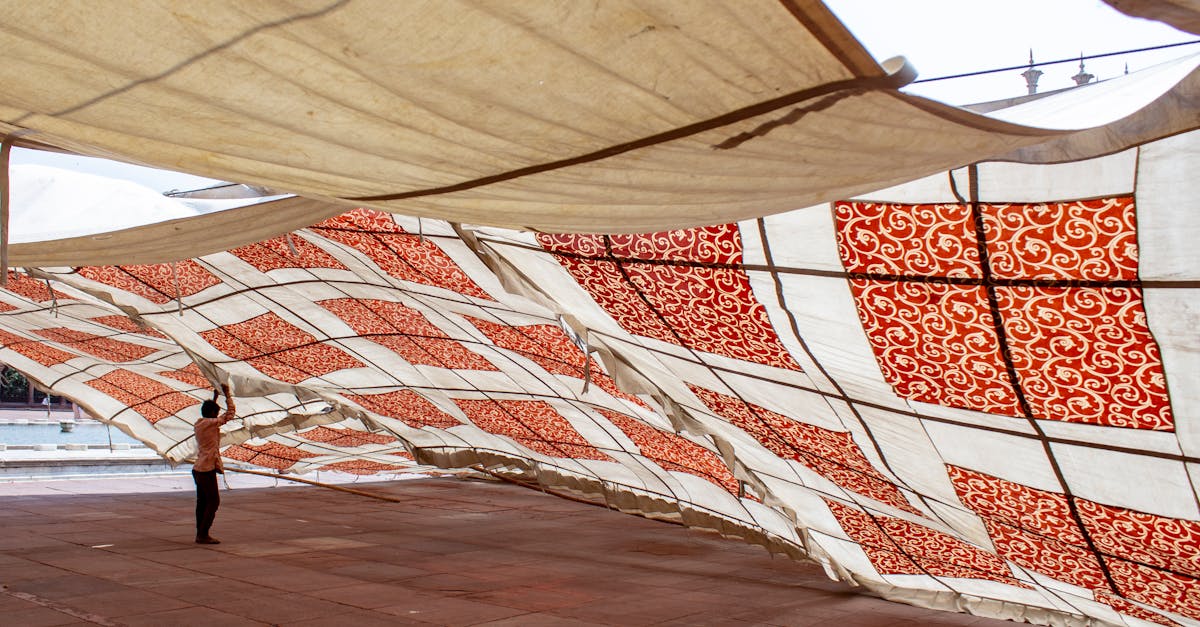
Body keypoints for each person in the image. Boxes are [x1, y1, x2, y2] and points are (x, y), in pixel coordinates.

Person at [193, 384, 236, 545]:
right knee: (213, 501)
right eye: (215, 413)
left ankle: (200, 532)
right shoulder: (210, 423)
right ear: (212, 414)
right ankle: (203, 534)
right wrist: (228, 394)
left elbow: (209, 412)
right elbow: (230, 414)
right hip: (206, 469)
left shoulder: (200, 423)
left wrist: (215, 397)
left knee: (202, 502)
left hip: (199, 468)